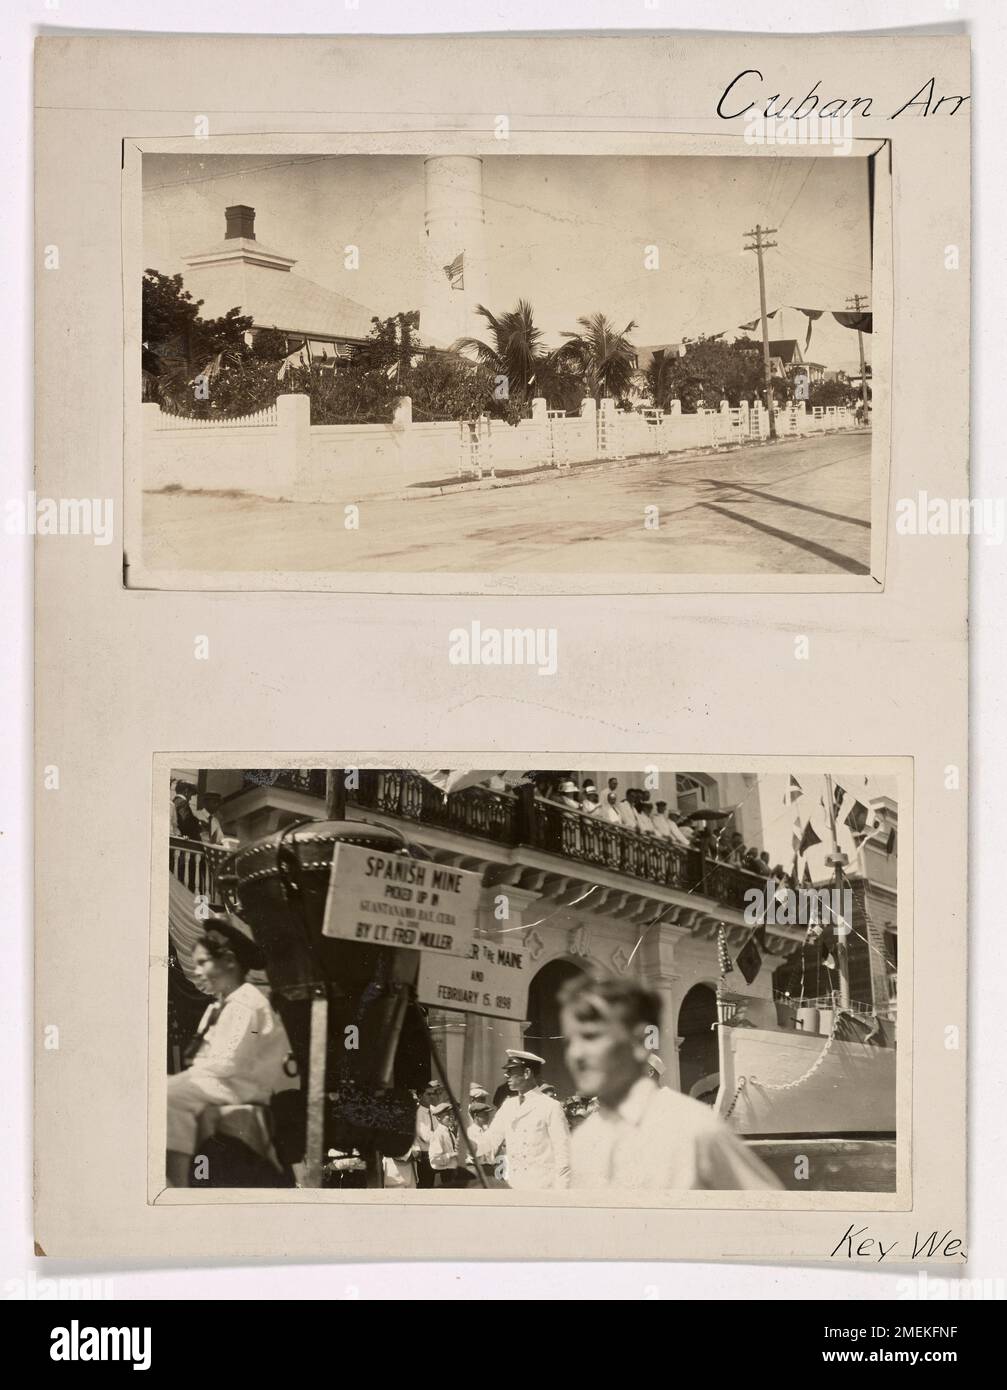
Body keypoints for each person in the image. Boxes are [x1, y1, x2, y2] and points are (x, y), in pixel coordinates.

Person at [560, 972, 782, 1191]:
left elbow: (773, 1216)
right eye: (570, 1041)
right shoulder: (585, 1140)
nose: (575, 1054)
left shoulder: (693, 1130)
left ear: (639, 1042)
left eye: (591, 1036)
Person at [166, 916, 290, 1187]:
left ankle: (176, 1182)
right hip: (219, 1082)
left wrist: (184, 1080)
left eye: (203, 963)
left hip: (240, 1087)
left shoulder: (247, 1004)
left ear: (229, 962)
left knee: (168, 1095)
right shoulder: (217, 1007)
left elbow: (227, 1063)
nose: (197, 971)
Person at [477, 1050, 572, 1190]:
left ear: (527, 1073)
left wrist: (560, 1193)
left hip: (542, 1187)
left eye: (511, 1071)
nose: (506, 1076)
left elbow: (563, 1153)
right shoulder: (508, 1105)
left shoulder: (550, 1106)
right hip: (515, 1185)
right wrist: (472, 1145)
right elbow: (492, 1138)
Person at [428, 1102, 472, 1187]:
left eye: (452, 1114)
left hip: (454, 1172)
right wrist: (452, 1155)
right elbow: (434, 1159)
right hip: (445, 1174)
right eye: (447, 1114)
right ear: (438, 1117)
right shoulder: (438, 1135)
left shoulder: (449, 1133)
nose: (451, 1117)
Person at [411, 1079, 444, 1189]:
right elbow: (425, 1136)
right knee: (426, 1186)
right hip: (425, 1156)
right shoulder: (418, 1113)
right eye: (428, 1094)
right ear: (420, 1096)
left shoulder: (434, 1111)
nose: (432, 1096)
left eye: (433, 1093)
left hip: (437, 1153)